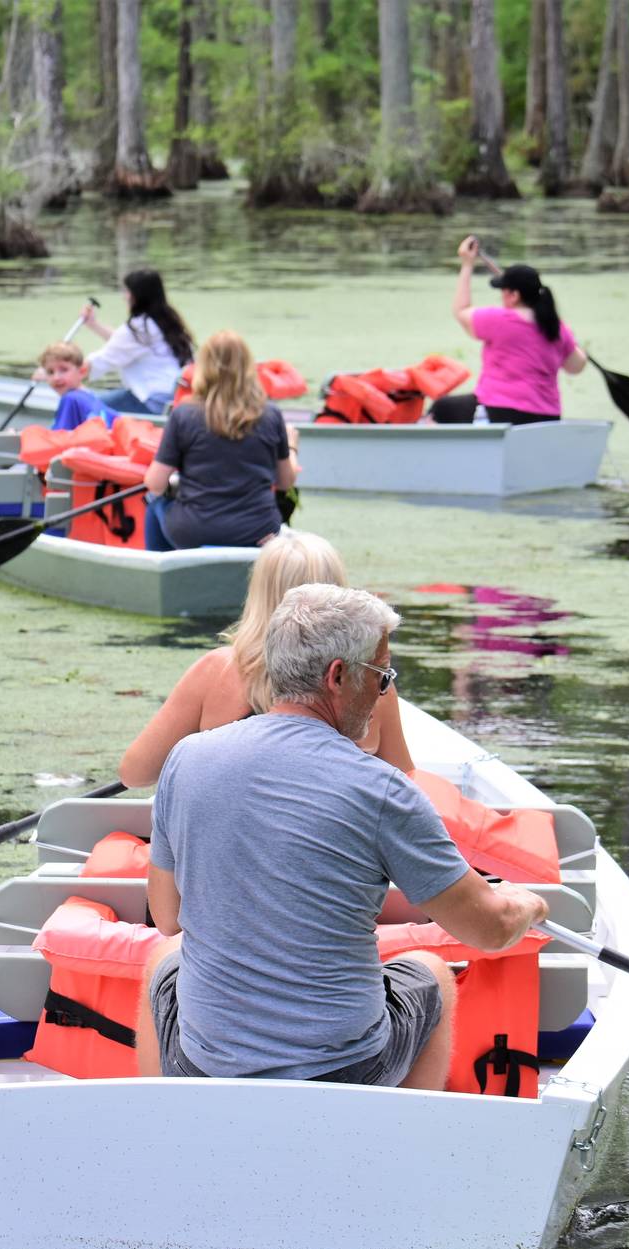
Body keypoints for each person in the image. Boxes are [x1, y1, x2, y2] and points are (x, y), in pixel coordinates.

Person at [134, 584, 550, 1085]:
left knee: (163, 960)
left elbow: (166, 916)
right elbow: (487, 928)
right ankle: (390, 1141)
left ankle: (164, 1116)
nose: (382, 694)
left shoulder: (187, 758)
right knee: (431, 974)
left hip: (206, 1063)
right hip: (343, 1070)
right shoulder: (382, 790)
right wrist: (526, 905)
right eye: (382, 677)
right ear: (338, 676)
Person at [119, 531, 413, 787]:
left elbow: (135, 773)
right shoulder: (371, 683)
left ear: (257, 593)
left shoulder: (215, 671)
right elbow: (407, 783)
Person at [143, 330, 295, 552]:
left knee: (153, 503)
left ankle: (161, 576)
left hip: (193, 531)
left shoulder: (184, 415)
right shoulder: (271, 415)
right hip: (259, 531)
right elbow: (285, 482)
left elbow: (155, 483)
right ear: (248, 367)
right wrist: (291, 445)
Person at [432, 236, 587, 425]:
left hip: (500, 412)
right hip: (547, 418)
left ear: (514, 295)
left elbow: (461, 311)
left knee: (441, 408)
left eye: (503, 292)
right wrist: (572, 341)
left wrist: (467, 264)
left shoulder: (500, 319)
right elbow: (576, 366)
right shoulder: (556, 328)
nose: (501, 297)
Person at [80, 269, 194, 414]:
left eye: (127, 292)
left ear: (136, 296)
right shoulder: (167, 320)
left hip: (152, 401)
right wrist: (93, 324)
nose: (124, 297)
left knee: (83, 408)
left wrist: (50, 373)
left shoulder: (138, 328)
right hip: (177, 396)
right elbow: (125, 345)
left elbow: (101, 361)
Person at [32, 341, 111, 433]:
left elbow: (59, 437)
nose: (56, 378)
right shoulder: (91, 397)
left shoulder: (70, 399)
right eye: (50, 372)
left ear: (82, 371)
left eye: (64, 370)